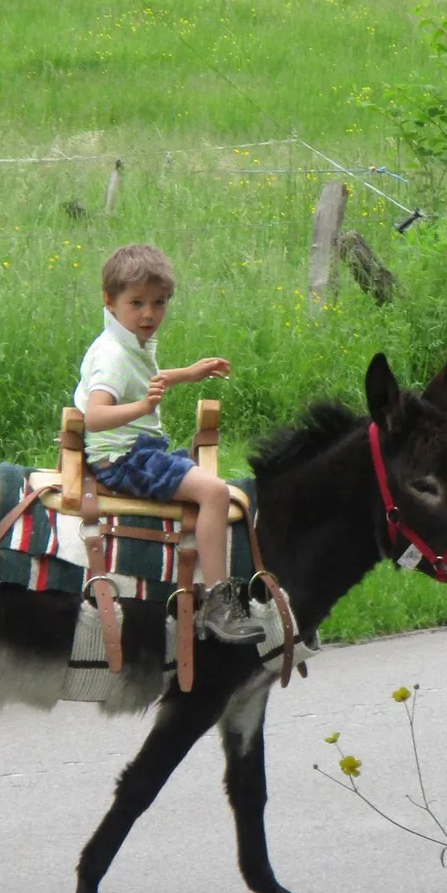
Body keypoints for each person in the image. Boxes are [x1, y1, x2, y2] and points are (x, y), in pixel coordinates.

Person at [75, 243, 262, 645]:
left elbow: (148, 379)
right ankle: (218, 604)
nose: (148, 314)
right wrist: (141, 406)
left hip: (137, 449)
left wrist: (187, 374)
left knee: (203, 486)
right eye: (137, 303)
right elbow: (95, 415)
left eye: (158, 303)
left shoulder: (128, 339)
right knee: (213, 492)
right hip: (123, 458)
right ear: (110, 302)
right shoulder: (112, 355)